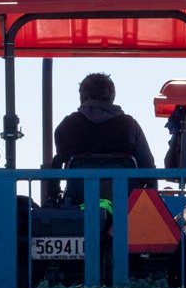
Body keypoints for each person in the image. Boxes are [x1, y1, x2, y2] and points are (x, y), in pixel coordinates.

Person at [52, 72, 156, 204]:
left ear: (82, 96)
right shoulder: (130, 125)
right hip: (126, 206)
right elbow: (148, 169)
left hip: (78, 206)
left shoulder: (67, 125)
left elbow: (59, 161)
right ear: (112, 96)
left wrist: (54, 194)